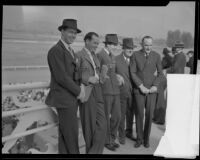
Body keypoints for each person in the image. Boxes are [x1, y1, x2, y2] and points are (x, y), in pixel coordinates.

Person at [45, 19, 85, 154]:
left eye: (75, 33)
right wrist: (79, 91)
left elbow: (74, 74)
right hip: (64, 100)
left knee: (64, 136)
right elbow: (61, 77)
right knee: (71, 135)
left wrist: (81, 85)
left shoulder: (70, 51)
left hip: (70, 99)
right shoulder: (56, 51)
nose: (73, 35)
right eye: (70, 32)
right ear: (62, 31)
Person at [130, 36, 164, 148]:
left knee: (149, 115)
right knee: (139, 114)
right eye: (146, 45)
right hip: (139, 90)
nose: (148, 47)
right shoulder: (135, 55)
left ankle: (146, 139)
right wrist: (140, 86)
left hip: (151, 91)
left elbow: (160, 73)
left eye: (150, 45)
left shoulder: (157, 56)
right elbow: (133, 72)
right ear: (141, 44)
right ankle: (139, 139)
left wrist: (155, 85)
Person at [76, 32, 107, 154]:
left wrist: (102, 75)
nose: (96, 46)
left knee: (103, 125)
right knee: (89, 128)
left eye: (98, 43)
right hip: (87, 93)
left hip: (98, 91)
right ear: (86, 41)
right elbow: (73, 74)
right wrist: (87, 78)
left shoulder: (95, 56)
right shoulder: (78, 55)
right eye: (94, 43)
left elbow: (97, 73)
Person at [97, 34, 123, 151]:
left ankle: (112, 138)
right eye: (112, 44)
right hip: (106, 91)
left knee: (117, 116)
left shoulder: (113, 56)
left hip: (115, 91)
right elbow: (97, 73)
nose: (114, 47)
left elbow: (113, 71)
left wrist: (117, 75)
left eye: (115, 45)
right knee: (106, 117)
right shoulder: (100, 55)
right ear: (106, 44)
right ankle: (107, 141)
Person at [115, 38, 137, 144]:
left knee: (130, 114)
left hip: (133, 93)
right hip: (121, 92)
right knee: (121, 115)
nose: (130, 50)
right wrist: (116, 75)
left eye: (131, 48)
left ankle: (129, 132)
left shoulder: (135, 59)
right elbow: (110, 73)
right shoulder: (116, 59)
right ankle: (121, 135)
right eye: (128, 48)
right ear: (123, 48)